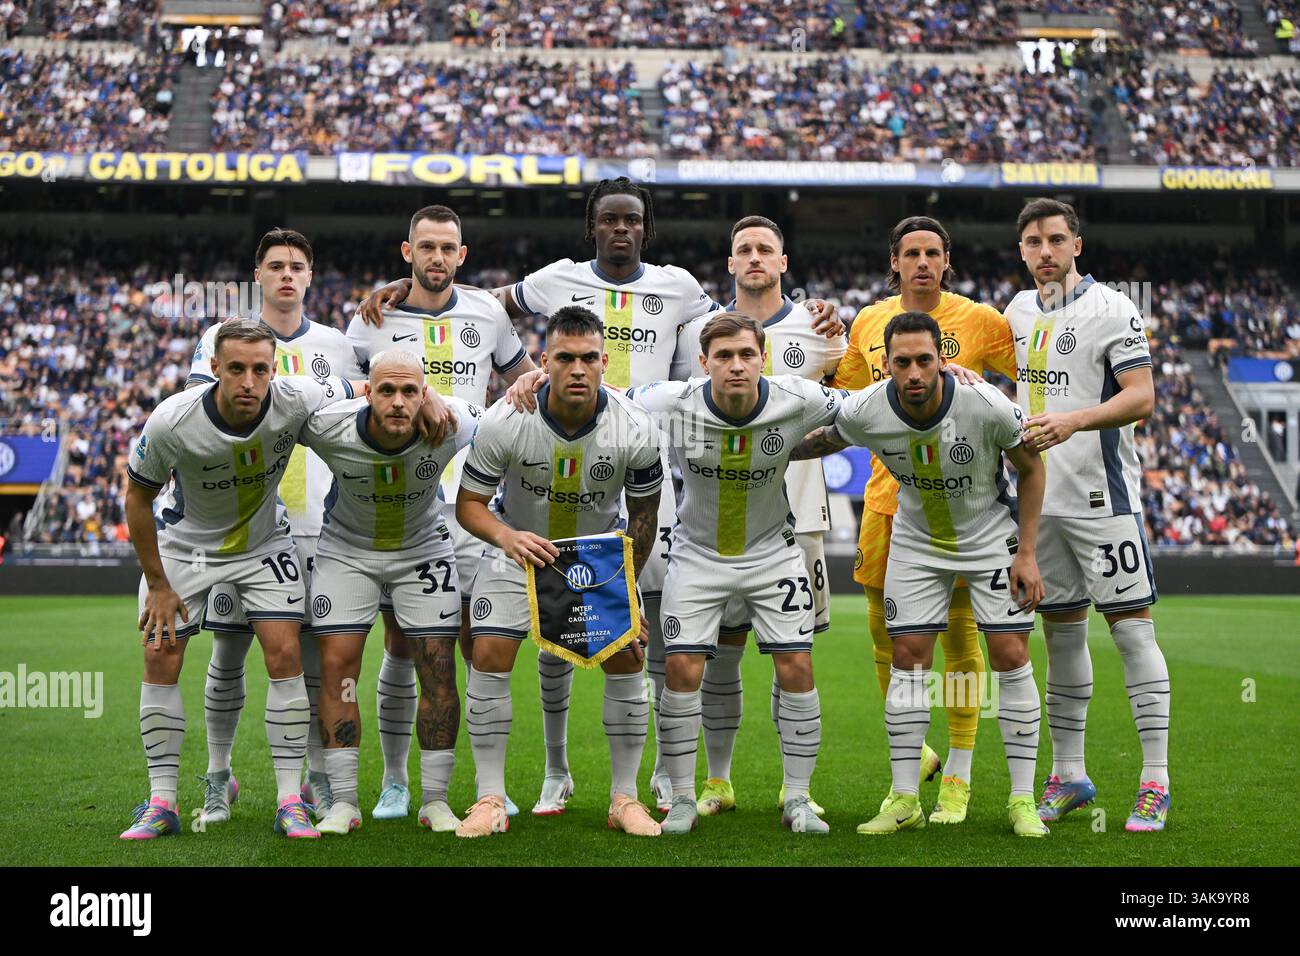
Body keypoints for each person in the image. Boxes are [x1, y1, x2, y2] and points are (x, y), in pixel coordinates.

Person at [791, 311, 1050, 837]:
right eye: (902, 362)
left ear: (942, 361)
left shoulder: (986, 405)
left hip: (987, 538)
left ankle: (1022, 801)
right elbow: (823, 440)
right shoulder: (867, 408)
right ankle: (905, 798)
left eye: (924, 361)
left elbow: (1031, 468)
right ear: (884, 365)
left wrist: (1027, 552)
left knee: (1010, 654)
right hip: (915, 542)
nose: (913, 373)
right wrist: (761, 448)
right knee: (907, 658)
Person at [121, 320, 362, 840]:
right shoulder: (172, 420)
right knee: (160, 653)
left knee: (285, 653)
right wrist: (159, 585)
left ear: (274, 370)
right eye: (236, 369)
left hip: (263, 546)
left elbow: (363, 387)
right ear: (214, 369)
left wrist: (429, 399)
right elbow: (136, 498)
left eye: (260, 370)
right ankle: (162, 801)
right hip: (188, 550)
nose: (249, 381)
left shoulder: (294, 398)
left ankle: (289, 800)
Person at [345, 204, 535, 821]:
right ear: (407, 253)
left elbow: (526, 381)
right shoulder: (373, 318)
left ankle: (488, 786)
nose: (436, 257)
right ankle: (396, 784)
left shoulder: (487, 312)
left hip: (472, 502)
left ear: (462, 255)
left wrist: (525, 386)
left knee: (479, 642)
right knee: (403, 643)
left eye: (446, 247)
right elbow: (346, 399)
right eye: (425, 247)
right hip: (399, 502)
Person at [830, 216, 1018, 824]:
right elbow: (844, 401)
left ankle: (958, 777)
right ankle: (915, 764)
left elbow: (1030, 389)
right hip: (889, 503)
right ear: (894, 261)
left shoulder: (984, 323)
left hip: (965, 509)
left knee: (962, 643)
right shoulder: (868, 323)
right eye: (910, 253)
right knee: (892, 643)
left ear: (947, 260)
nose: (921, 263)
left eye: (932, 253)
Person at [627, 312, 844, 836]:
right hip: (697, 556)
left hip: (773, 556)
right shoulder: (671, 402)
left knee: (796, 666)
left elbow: (866, 411)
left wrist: (955, 378)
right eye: (723, 356)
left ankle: (797, 798)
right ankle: (681, 799)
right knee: (681, 671)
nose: (736, 365)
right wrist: (532, 377)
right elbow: (603, 398)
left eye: (747, 354)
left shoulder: (797, 397)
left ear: (762, 358)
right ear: (704, 363)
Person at [454, 306, 664, 838]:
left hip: (595, 557)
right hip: (517, 548)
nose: (577, 368)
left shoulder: (635, 426)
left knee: (628, 658)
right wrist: (506, 536)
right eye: (565, 358)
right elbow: (470, 505)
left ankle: (624, 798)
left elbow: (644, 519)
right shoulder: (506, 419)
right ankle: (489, 798)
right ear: (543, 361)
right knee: (488, 654)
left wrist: (630, 593)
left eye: (588, 358)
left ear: (604, 362)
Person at [183, 228, 363, 824]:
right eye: (276, 265)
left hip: (320, 524)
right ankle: (218, 776)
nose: (287, 275)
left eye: (298, 266)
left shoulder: (337, 346)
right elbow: (200, 427)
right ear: (256, 274)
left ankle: (313, 780)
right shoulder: (220, 340)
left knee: (310, 658)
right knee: (230, 649)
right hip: (246, 527)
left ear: (311, 277)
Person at [672, 216, 846, 818]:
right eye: (742, 248)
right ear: (729, 262)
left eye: (764, 249)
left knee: (793, 653)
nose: (753, 258)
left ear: (783, 260)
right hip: (711, 518)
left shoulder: (821, 327)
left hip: (798, 516)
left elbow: (856, 407)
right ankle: (716, 781)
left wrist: (790, 447)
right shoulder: (698, 328)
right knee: (718, 650)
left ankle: (793, 788)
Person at [1003, 198, 1168, 832]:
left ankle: (1155, 781)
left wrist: (1073, 419)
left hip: (1104, 500)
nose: (1044, 251)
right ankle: (1068, 774)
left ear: (1077, 245)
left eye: (1055, 239)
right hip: (1042, 505)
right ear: (1022, 251)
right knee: (1062, 635)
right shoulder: (1017, 311)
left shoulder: (1114, 309)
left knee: (1131, 631)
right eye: (1033, 242)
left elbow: (1141, 397)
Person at [296, 350, 480, 834]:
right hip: (346, 550)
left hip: (423, 550)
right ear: (367, 392)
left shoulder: (454, 423)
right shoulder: (329, 426)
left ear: (425, 394)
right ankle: (343, 803)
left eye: (410, 391)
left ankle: (435, 801)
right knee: (338, 668)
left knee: (439, 669)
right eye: (386, 391)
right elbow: (282, 406)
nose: (398, 402)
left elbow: (512, 413)